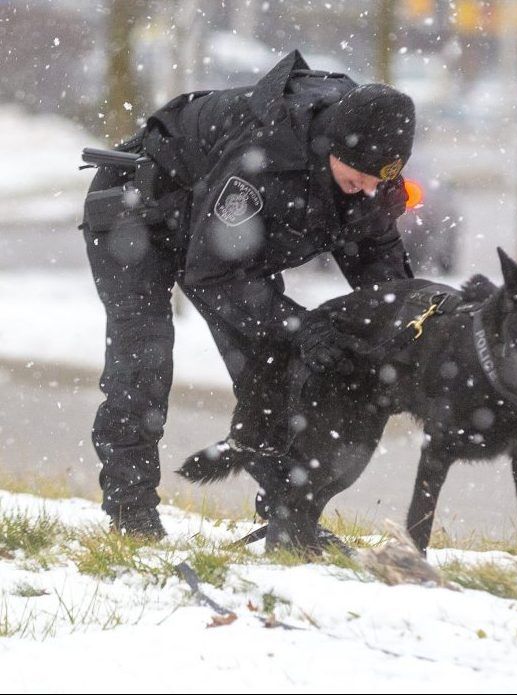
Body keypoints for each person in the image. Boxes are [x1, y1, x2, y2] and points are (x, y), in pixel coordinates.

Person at [81, 50, 415, 539]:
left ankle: (288, 515)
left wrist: (413, 325)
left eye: (376, 178)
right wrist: (305, 326)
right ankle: (131, 511)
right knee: (144, 360)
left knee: (278, 369)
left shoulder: (365, 182)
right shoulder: (268, 158)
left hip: (225, 242)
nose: (363, 187)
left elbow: (382, 273)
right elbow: (212, 275)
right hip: (140, 212)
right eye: (355, 173)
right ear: (333, 146)